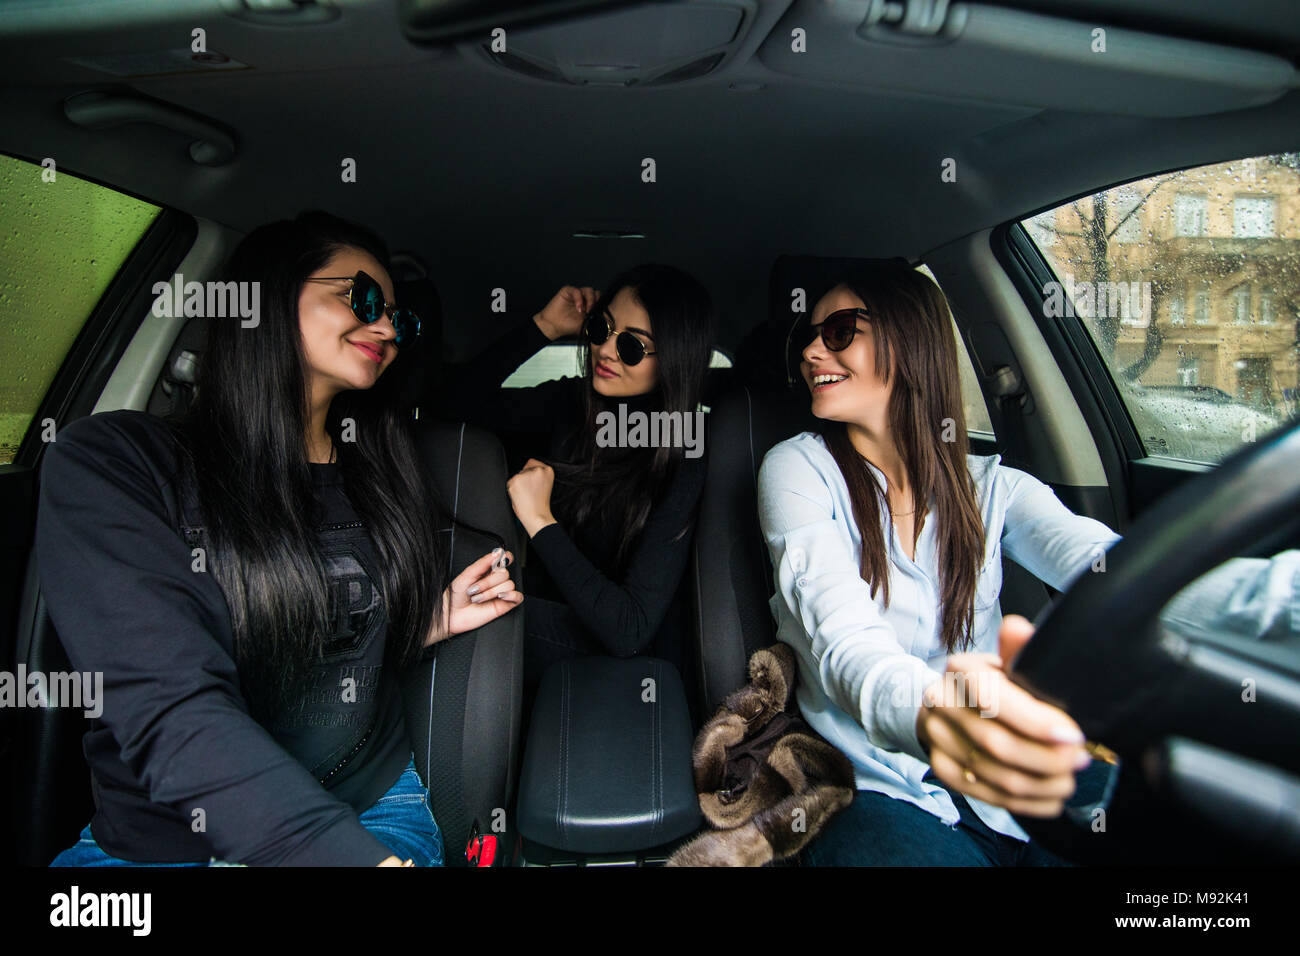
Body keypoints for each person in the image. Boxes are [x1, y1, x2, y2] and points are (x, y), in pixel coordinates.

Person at [38, 211, 521, 867]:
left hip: (369, 807)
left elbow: (322, 628)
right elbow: (170, 703)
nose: (386, 328)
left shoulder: (381, 470)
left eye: (399, 320)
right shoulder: (119, 461)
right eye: (362, 298)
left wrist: (417, 621)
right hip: (165, 845)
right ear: (268, 295)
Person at [757, 263, 1121, 866]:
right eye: (809, 336)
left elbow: (1108, 565)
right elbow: (847, 644)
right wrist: (940, 719)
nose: (812, 352)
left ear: (910, 340)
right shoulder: (798, 470)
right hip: (874, 778)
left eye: (839, 330)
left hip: (1008, 757)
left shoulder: (994, 488)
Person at [435, 265, 714, 691]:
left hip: (630, 657)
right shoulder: (571, 405)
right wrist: (544, 327)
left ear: (674, 359)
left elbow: (630, 630)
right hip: (557, 619)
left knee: (464, 617)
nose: (606, 350)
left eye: (633, 346)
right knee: (452, 602)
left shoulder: (682, 451)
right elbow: (448, 406)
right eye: (602, 328)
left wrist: (539, 521)